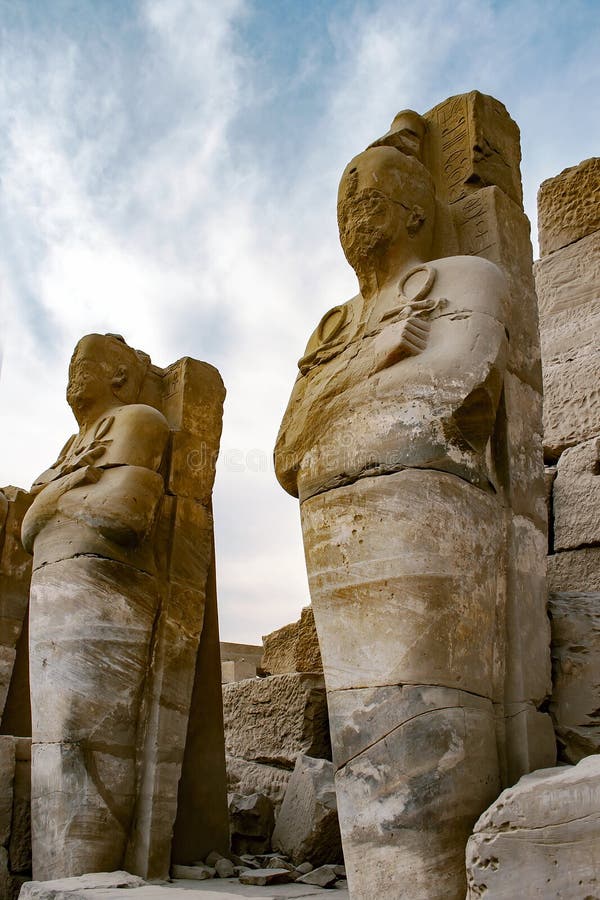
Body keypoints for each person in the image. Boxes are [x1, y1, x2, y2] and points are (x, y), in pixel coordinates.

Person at [275, 127, 510, 899]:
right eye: (344, 202)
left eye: (370, 198)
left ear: (416, 212)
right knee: (363, 737)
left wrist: (330, 406)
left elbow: (448, 388)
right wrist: (372, 361)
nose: (352, 212)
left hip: (427, 518)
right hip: (334, 524)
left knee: (421, 733)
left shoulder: (467, 278)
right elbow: (286, 456)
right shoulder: (334, 330)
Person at [22, 333, 169, 880]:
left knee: (87, 741)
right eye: (69, 363)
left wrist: (55, 500)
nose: (72, 373)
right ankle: (57, 880)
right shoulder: (70, 447)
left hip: (104, 592)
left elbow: (126, 513)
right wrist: (62, 498)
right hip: (53, 592)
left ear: (119, 375)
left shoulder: (138, 420)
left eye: (85, 363)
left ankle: (90, 879)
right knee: (53, 743)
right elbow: (27, 528)